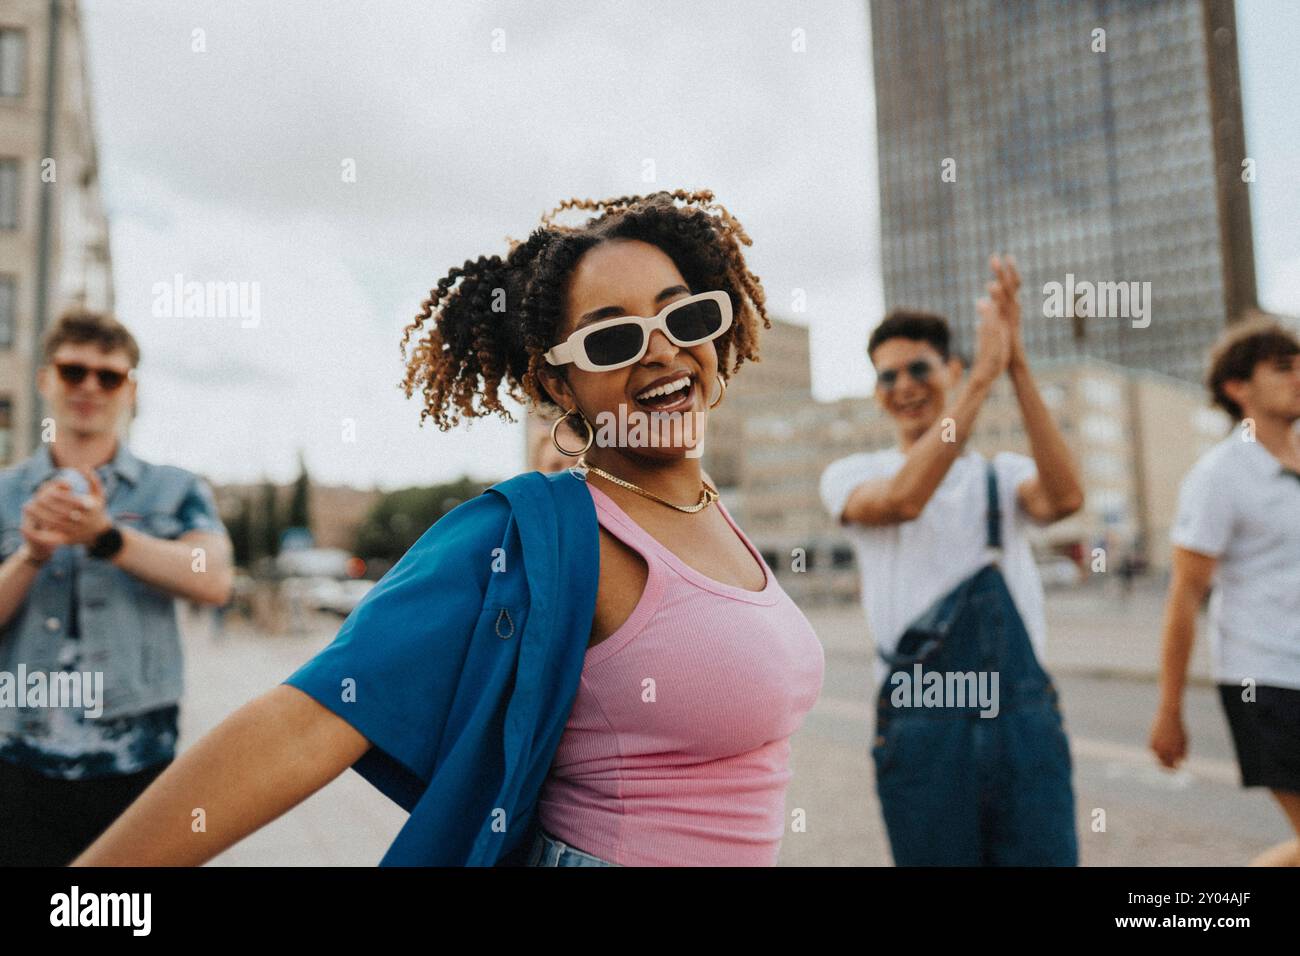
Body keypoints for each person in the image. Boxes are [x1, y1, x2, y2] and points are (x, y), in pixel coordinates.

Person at [73, 189, 825, 867]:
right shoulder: (545, 533)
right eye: (611, 338)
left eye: (682, 315)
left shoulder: (710, 510)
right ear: (557, 382)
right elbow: (305, 721)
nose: (661, 349)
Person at [819, 256, 1085, 865]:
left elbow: (1065, 498)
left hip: (1020, 716)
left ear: (952, 369)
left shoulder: (1001, 475)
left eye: (919, 368)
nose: (905, 386)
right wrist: (983, 381)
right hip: (921, 719)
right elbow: (905, 499)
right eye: (888, 377)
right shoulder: (853, 475)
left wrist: (1015, 367)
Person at [0, 309, 233, 866]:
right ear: (45, 379)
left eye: (108, 375)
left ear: (131, 389)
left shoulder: (174, 489)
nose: (89, 387)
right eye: (73, 370)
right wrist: (32, 553)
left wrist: (108, 539)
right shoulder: (6, 490)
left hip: (137, 761)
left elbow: (215, 578)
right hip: (17, 759)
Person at [1149, 318, 1300, 866]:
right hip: (1266, 678)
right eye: (1282, 368)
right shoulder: (1221, 474)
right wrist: (1170, 710)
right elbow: (1185, 596)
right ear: (1238, 389)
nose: (1298, 376)